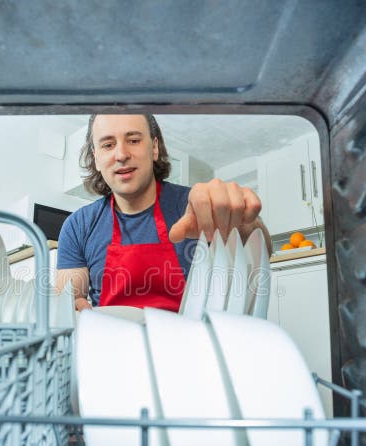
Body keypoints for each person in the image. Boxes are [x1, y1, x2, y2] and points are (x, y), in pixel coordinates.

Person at [56, 114, 271, 312]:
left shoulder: (195, 207)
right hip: (112, 344)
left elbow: (260, 248)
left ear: (155, 147)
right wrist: (73, 308)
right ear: (96, 158)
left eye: (133, 140)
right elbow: (69, 301)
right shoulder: (78, 226)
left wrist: (240, 217)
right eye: (108, 145)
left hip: (187, 345)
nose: (121, 154)